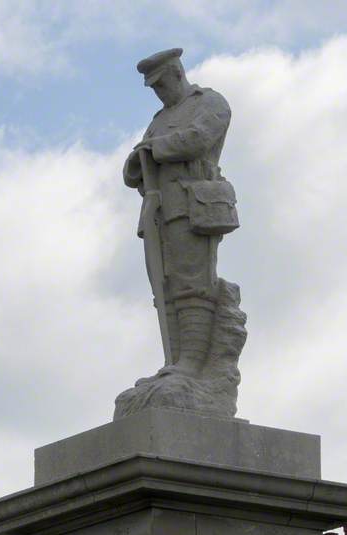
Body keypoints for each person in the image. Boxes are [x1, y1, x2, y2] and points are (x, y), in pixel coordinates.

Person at [123, 48, 239, 377]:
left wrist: (153, 149)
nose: (159, 93)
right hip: (159, 211)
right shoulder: (158, 121)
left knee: (193, 285)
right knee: (166, 288)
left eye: (161, 85)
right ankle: (174, 362)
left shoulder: (209, 102)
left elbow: (198, 140)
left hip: (193, 207)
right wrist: (137, 161)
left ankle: (192, 364)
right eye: (154, 88)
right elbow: (136, 167)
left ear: (177, 73)